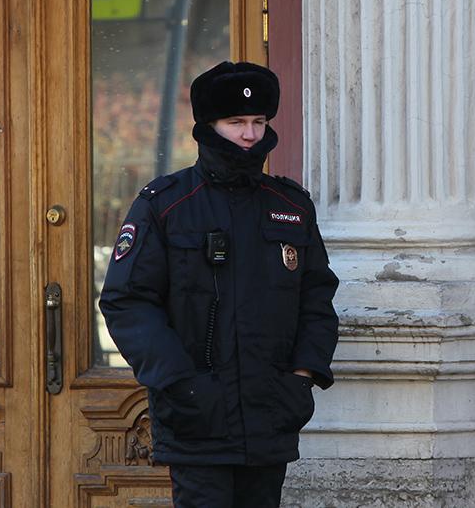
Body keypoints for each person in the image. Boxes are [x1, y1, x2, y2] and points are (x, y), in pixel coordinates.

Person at [99, 61, 340, 508]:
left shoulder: (290, 205)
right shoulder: (165, 205)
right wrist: (180, 384)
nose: (250, 134)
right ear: (209, 127)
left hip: (271, 415)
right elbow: (127, 301)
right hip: (196, 418)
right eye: (236, 123)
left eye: (258, 122)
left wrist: (301, 379)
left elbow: (317, 298)